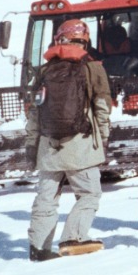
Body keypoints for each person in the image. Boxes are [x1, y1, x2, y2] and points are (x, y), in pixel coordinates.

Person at [25, 19, 111, 262]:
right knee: (89, 194)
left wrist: (32, 144)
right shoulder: (93, 67)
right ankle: (73, 237)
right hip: (81, 145)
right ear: (84, 40)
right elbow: (102, 107)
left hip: (48, 145)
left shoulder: (44, 71)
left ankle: (38, 248)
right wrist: (102, 139)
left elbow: (34, 113)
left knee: (46, 197)